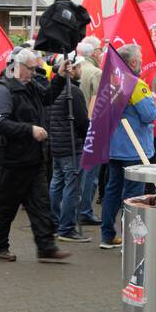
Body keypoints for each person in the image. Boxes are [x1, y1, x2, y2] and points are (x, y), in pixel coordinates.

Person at [0, 49, 72, 263]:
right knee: (4, 207)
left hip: (34, 160)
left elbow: (47, 97)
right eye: (32, 68)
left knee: (41, 205)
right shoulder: (4, 90)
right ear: (17, 66)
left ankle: (46, 246)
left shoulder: (29, 85)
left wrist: (60, 77)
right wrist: (30, 130)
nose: (35, 73)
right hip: (12, 161)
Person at [98, 44, 156, 250]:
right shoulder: (135, 84)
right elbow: (150, 115)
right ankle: (135, 239)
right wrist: (152, 100)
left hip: (114, 147)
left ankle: (107, 235)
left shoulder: (110, 82)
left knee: (112, 191)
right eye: (140, 59)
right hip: (134, 148)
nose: (141, 62)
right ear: (133, 62)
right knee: (134, 196)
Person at [47, 53, 91, 244]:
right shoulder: (73, 92)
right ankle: (66, 227)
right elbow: (82, 121)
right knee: (72, 187)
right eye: (76, 67)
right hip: (71, 146)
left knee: (57, 184)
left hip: (56, 144)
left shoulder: (52, 91)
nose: (78, 71)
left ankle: (55, 223)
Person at [74, 37, 103, 226]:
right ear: (93, 52)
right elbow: (99, 103)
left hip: (72, 127)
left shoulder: (70, 68)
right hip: (90, 127)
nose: (101, 54)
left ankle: (73, 208)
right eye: (100, 50)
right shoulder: (96, 72)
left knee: (73, 173)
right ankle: (85, 210)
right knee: (90, 174)